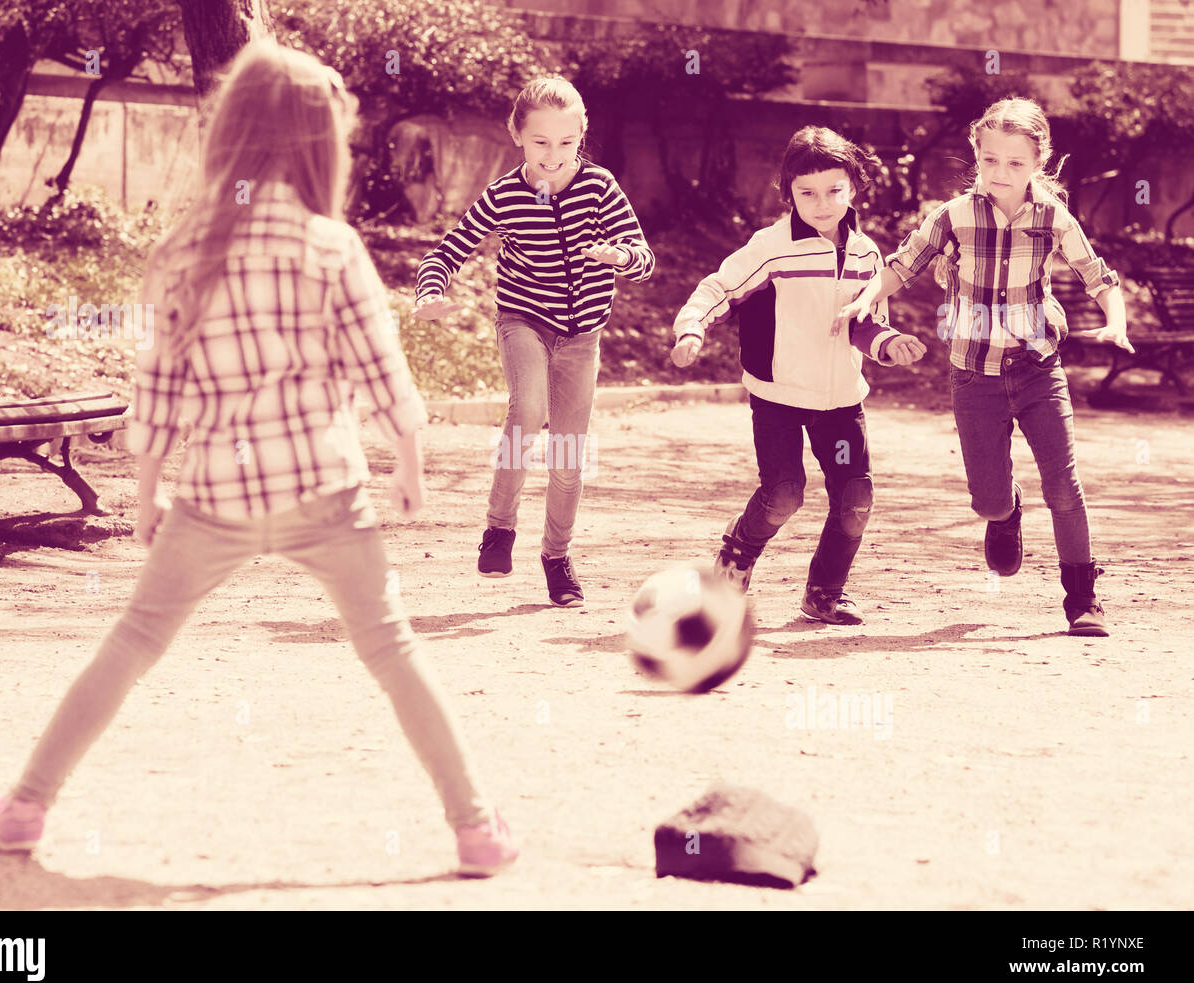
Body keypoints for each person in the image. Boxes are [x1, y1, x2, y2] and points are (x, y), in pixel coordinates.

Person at [0, 40, 518, 877]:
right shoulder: (332, 247)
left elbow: (158, 387)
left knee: (131, 641)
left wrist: (148, 492)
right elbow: (381, 370)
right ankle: (477, 828)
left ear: (228, 133)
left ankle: (22, 809)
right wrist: (408, 461)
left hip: (216, 496)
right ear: (319, 145)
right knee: (392, 650)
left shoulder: (184, 252)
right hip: (326, 492)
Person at [841, 98, 1132, 636]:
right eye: (990, 160)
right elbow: (901, 266)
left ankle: (1083, 599)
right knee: (989, 500)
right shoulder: (952, 216)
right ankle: (1006, 513)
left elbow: (1099, 275)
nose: (1001, 173)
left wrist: (1114, 320)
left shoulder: (1052, 219)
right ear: (976, 154)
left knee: (1065, 487)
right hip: (974, 376)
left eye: (1015, 164)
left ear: (1037, 164)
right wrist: (866, 297)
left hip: (1038, 368)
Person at [414, 75, 654, 607]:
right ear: (516, 134)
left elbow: (644, 257)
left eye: (567, 143)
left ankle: (557, 556)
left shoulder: (599, 187)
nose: (554, 155)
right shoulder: (503, 195)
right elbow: (445, 253)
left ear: (581, 137)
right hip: (523, 319)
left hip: (582, 336)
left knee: (568, 456)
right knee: (527, 412)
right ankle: (499, 528)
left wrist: (621, 257)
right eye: (541, 141)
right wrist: (429, 295)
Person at [672, 125, 925, 624]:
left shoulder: (869, 254)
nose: (822, 203)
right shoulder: (771, 247)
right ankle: (737, 555)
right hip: (779, 396)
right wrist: (691, 328)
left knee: (856, 500)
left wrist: (889, 344)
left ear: (853, 188)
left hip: (841, 401)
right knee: (783, 494)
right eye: (806, 192)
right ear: (788, 192)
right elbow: (719, 287)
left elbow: (864, 323)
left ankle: (825, 592)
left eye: (834, 190)